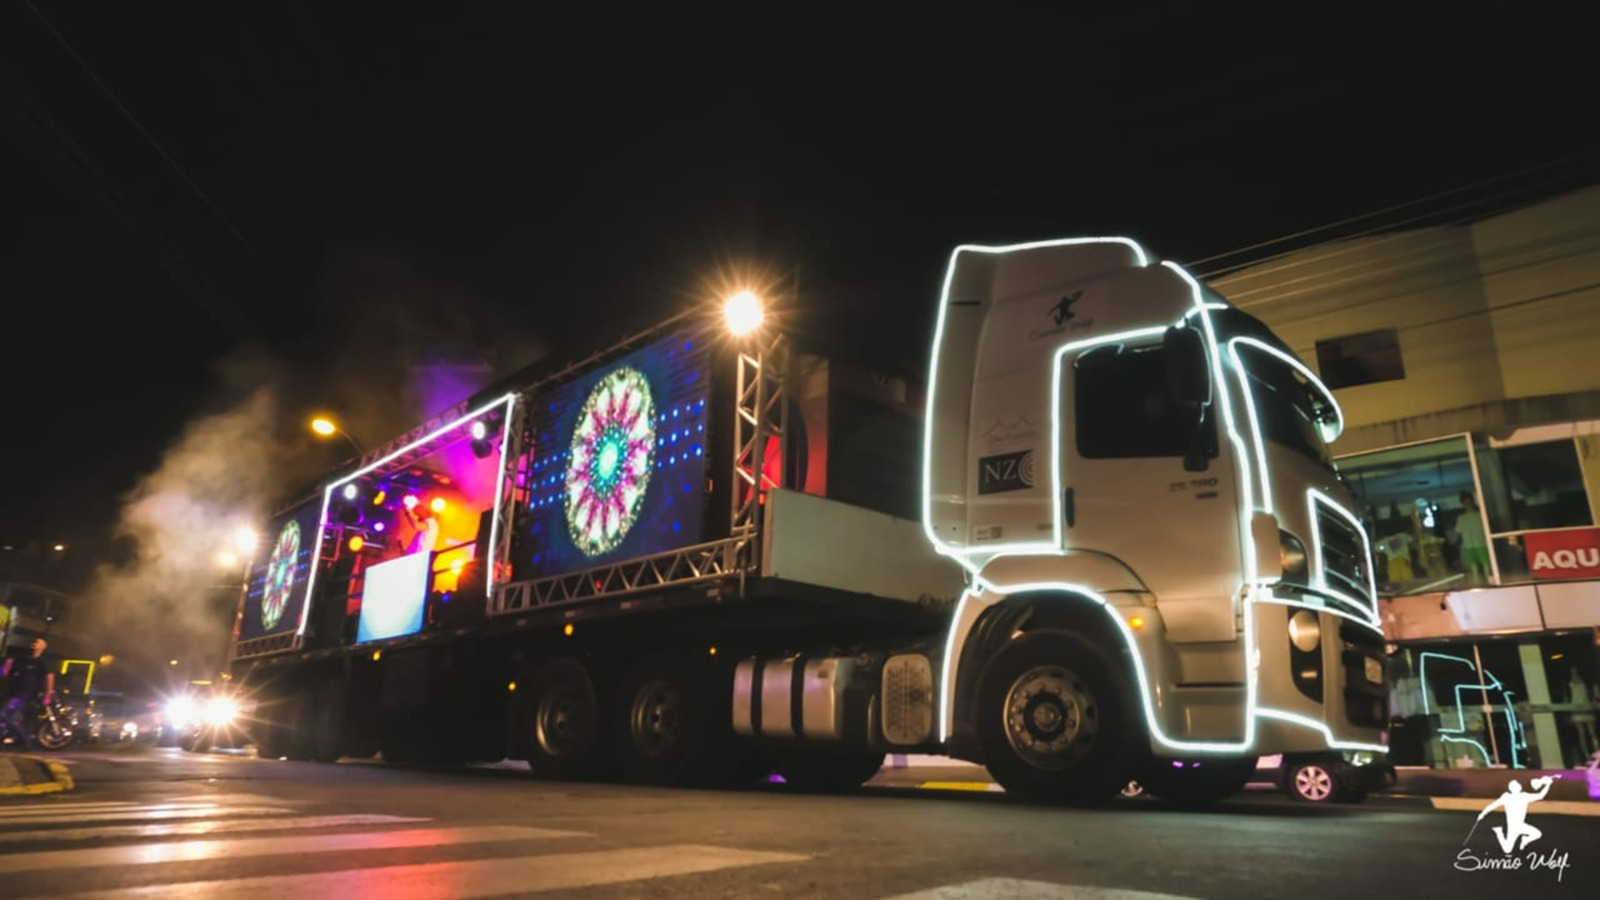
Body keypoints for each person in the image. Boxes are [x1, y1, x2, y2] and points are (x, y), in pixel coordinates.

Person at [1, 637, 55, 751]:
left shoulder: (43, 662)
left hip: (26, 695)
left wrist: (48, 694)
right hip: (13, 692)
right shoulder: (23, 658)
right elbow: (6, 671)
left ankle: (25, 741)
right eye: (33, 641)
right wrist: (7, 665)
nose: (34, 643)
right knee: (7, 718)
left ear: (43, 647)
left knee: (6, 716)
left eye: (37, 642)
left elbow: (50, 678)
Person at [1477, 776, 1554, 854]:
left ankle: (1525, 839)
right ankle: (1499, 832)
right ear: (1511, 788)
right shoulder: (1506, 797)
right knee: (1507, 850)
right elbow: (1493, 805)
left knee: (1537, 834)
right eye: (1514, 786)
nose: (1517, 786)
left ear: (1520, 787)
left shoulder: (1524, 796)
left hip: (1521, 825)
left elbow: (1540, 796)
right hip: (1512, 827)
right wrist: (1483, 813)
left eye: (1517, 785)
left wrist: (1548, 785)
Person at [1452, 491, 1490, 586]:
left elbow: (1457, 534)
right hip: (1481, 543)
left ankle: (1478, 584)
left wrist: (1453, 542)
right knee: (1485, 565)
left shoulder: (1462, 518)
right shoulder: (1480, 516)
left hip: (1469, 545)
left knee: (1474, 567)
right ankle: (1488, 582)